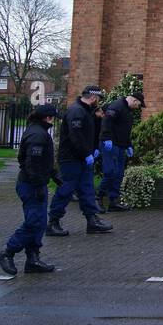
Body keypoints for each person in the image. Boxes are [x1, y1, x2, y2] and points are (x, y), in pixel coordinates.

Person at [0, 104, 61, 275]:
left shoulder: (35, 131)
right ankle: (8, 252)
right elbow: (32, 163)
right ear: (48, 118)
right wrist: (39, 184)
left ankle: (33, 259)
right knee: (35, 222)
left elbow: (37, 161)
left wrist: (54, 175)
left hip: (32, 183)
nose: (54, 121)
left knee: (38, 223)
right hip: (31, 185)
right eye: (53, 118)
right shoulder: (38, 135)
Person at [47, 86, 114, 236]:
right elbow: (75, 136)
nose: (98, 102)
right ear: (93, 97)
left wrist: (93, 149)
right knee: (66, 190)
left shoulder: (86, 111)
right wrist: (86, 153)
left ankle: (92, 220)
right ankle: (53, 222)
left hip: (82, 158)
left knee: (87, 190)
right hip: (71, 159)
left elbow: (89, 134)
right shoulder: (77, 111)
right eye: (98, 99)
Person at [98, 90, 144, 212]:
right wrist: (107, 138)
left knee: (118, 174)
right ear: (134, 100)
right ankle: (98, 199)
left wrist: (129, 145)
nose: (138, 107)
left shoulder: (128, 111)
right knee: (110, 172)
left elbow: (125, 131)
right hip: (110, 144)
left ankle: (113, 201)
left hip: (120, 146)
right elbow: (106, 122)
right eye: (139, 104)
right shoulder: (117, 106)